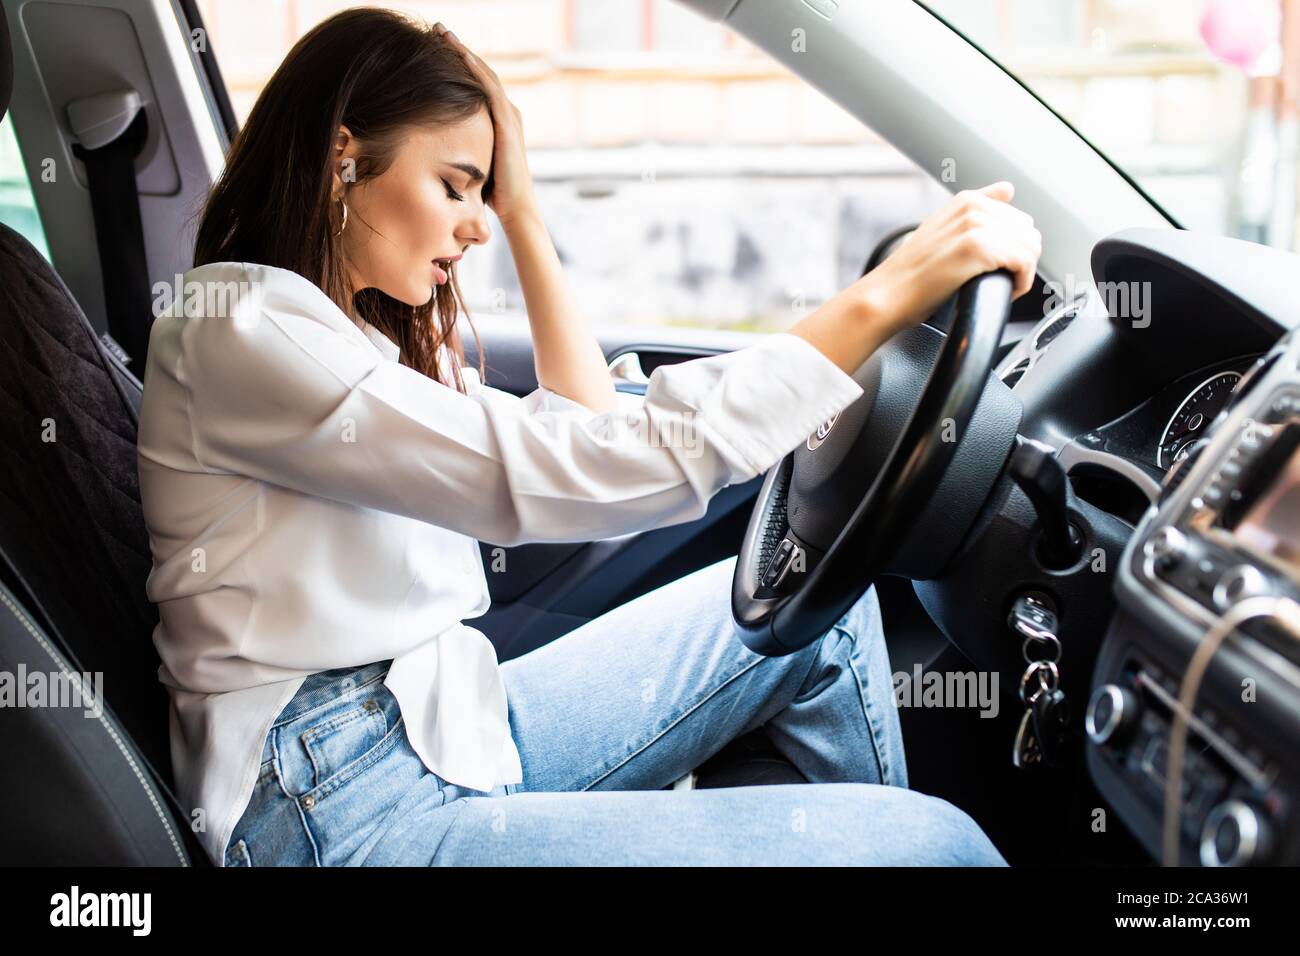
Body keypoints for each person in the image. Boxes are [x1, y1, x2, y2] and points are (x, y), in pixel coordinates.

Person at [137, 7, 1041, 867]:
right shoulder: (242, 328)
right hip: (334, 809)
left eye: (484, 193)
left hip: (443, 721)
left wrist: (525, 209)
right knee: (937, 847)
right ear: (344, 158)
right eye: (454, 185)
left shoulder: (350, 338)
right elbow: (566, 471)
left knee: (825, 624)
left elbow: (586, 426)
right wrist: (891, 292)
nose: (475, 221)